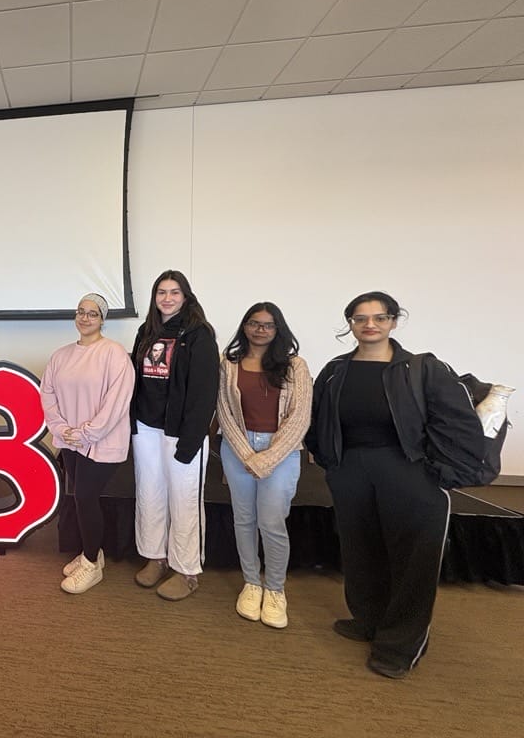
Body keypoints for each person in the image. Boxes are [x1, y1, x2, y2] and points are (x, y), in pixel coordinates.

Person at [305, 291, 484, 679]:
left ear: (393, 322)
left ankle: (400, 645)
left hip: (409, 472)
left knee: (411, 560)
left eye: (379, 317)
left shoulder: (422, 368)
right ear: (349, 324)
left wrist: (440, 473)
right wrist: (330, 462)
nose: (370, 324)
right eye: (360, 318)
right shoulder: (335, 370)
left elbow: (457, 423)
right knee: (361, 550)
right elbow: (317, 419)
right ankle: (369, 620)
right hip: (351, 471)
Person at [216, 302, 312, 629]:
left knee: (272, 522)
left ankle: (274, 589)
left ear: (277, 329)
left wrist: (266, 458)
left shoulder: (295, 366)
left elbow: (300, 418)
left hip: (281, 451)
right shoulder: (227, 364)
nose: (260, 330)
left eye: (268, 325)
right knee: (244, 519)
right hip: (237, 449)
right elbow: (224, 415)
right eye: (254, 323)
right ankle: (251, 582)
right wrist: (247, 455)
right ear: (244, 326)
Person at [129, 270, 219, 601]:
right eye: (161, 292)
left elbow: (204, 391)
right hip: (147, 429)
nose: (167, 298)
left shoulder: (199, 335)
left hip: (181, 434)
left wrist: (191, 440)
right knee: (149, 494)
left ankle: (186, 570)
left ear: (186, 297)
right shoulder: (146, 331)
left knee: (184, 501)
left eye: (175, 292)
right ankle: (156, 557)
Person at [40, 293, 135, 594]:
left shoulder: (114, 354)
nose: (84, 317)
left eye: (92, 313)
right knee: (80, 499)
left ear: (102, 319)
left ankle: (92, 563)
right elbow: (48, 394)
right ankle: (91, 553)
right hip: (69, 440)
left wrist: (85, 432)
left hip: (101, 442)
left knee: (85, 498)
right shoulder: (61, 355)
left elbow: (117, 403)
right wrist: (61, 428)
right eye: (80, 312)